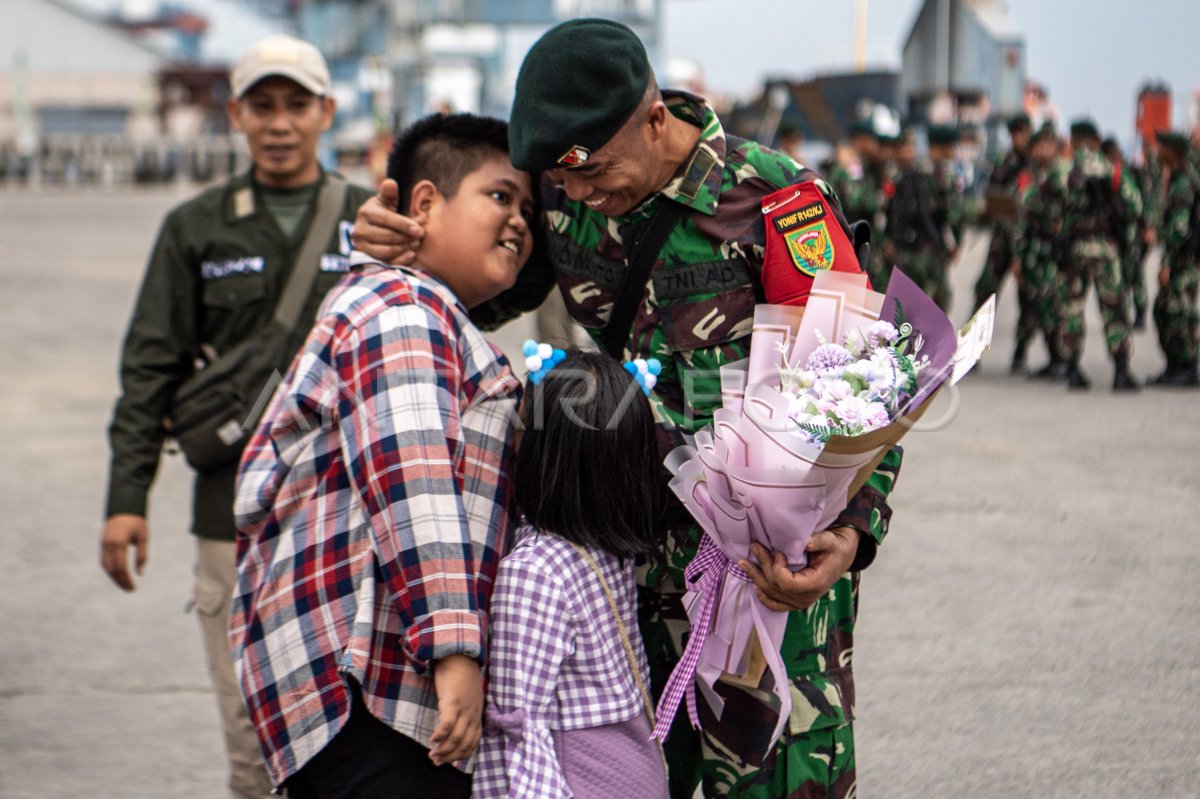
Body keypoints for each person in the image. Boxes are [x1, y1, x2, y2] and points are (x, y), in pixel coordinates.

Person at [353, 18, 902, 799]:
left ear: (654, 120)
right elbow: (465, 294)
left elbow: (869, 383)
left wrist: (853, 531)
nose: (574, 195)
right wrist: (397, 242)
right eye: (560, 178)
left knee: (782, 783)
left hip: (770, 582)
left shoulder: (776, 202)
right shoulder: (563, 193)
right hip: (630, 577)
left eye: (592, 170)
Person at [98, 35, 373, 798]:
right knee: (255, 744)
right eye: (262, 106)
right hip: (232, 521)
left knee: (356, 733)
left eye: (295, 105)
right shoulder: (197, 226)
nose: (279, 123)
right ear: (236, 115)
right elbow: (149, 367)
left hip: (349, 516)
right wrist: (128, 500)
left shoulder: (371, 218)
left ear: (326, 111)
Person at [227, 112, 534, 797]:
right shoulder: (403, 305)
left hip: (363, 684)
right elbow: (412, 475)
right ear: (424, 203)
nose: (519, 221)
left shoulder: (418, 308)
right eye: (500, 195)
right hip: (372, 689)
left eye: (528, 209)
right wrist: (454, 649)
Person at [473, 348, 670, 799]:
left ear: (542, 456)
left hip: (577, 772)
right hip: (636, 764)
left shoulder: (534, 572)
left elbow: (518, 727)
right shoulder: (611, 548)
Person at [1049, 118, 1138, 391]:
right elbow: (1134, 205)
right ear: (1096, 140)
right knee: (1114, 309)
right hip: (1105, 251)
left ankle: (1074, 370)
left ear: (1074, 140)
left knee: (1072, 308)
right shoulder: (1111, 169)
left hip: (1073, 251)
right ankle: (1121, 372)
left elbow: (1039, 205)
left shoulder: (1063, 170)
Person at [1013, 121, 1070, 379]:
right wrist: (1018, 256)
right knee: (1038, 304)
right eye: (1040, 146)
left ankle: (1062, 358)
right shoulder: (1031, 177)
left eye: (1049, 145)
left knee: (1055, 307)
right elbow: (1022, 217)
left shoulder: (1064, 176)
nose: (1044, 151)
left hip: (1057, 253)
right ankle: (1052, 358)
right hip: (1035, 252)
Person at [976, 113, 1033, 365]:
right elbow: (992, 191)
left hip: (1028, 240)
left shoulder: (1036, 163)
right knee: (985, 292)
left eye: (1022, 133)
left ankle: (1022, 350)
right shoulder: (1004, 161)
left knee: (1030, 297)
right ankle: (973, 351)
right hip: (1001, 238)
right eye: (1014, 134)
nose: (1018, 138)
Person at [1148, 130, 1200, 386]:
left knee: (1181, 314)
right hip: (1183, 258)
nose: (1158, 151)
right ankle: (1175, 365)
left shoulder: (1183, 183)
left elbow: (1178, 230)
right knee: (1165, 312)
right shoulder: (1180, 177)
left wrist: (1167, 262)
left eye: (1162, 147)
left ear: (1173, 151)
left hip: (1184, 261)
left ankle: (1188, 368)